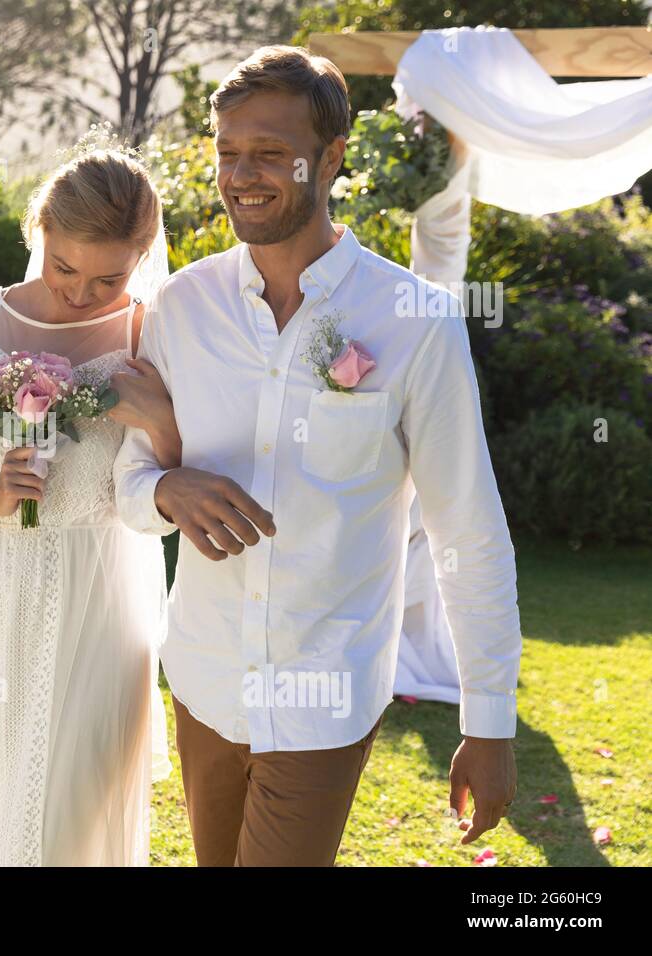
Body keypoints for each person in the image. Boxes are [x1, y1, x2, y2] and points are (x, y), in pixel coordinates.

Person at [113, 45, 521, 866]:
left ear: (330, 157)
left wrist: (490, 723)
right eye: (228, 152)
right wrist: (165, 490)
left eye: (270, 152)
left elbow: (466, 528)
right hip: (202, 680)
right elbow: (127, 481)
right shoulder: (180, 307)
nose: (241, 175)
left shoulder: (416, 321)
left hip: (324, 698)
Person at [0, 141, 194, 865]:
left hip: (104, 594)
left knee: (73, 809)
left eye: (110, 277)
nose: (81, 294)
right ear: (39, 232)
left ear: (143, 257)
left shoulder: (148, 334)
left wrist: (162, 421)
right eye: (64, 268)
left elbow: (178, 481)